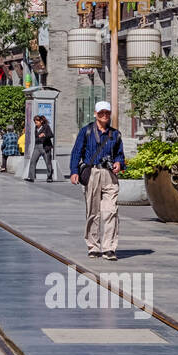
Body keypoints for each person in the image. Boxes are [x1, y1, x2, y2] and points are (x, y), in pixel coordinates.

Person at [70, 100, 124, 261]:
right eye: (101, 113)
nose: (105, 116)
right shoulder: (86, 131)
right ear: (95, 114)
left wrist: (119, 163)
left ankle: (109, 248)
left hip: (109, 175)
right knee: (93, 212)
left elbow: (120, 154)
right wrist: (74, 171)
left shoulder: (115, 134)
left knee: (111, 211)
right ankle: (93, 246)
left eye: (107, 113)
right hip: (92, 172)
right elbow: (76, 152)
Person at [25, 113, 55, 183]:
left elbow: (51, 135)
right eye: (35, 122)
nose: (36, 123)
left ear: (41, 121)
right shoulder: (36, 128)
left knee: (48, 162)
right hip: (37, 146)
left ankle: (49, 177)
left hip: (45, 146)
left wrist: (44, 134)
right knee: (33, 161)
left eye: (37, 121)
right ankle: (31, 177)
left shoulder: (46, 127)